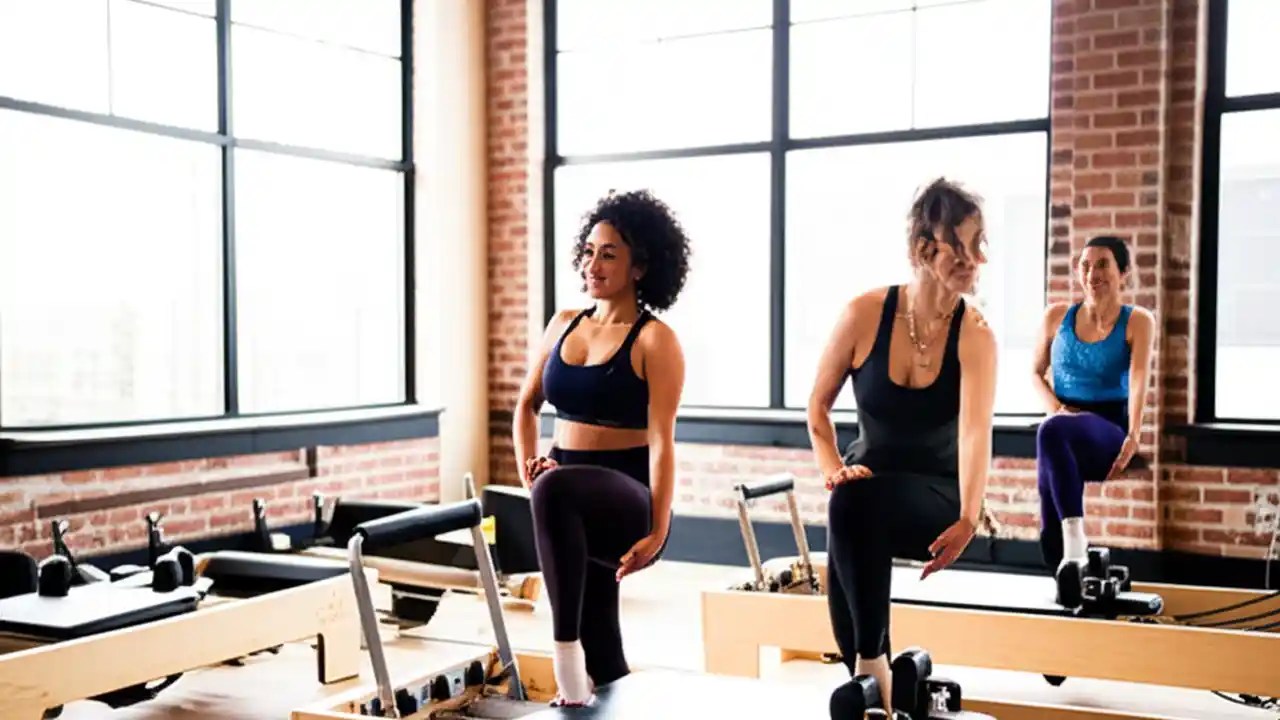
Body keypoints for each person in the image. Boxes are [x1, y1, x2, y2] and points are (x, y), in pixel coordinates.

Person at [806, 177, 998, 715]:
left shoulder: (975, 335)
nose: (975, 259)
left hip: (937, 498)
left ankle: (873, 686)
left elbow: (974, 432)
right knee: (850, 502)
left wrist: (968, 516)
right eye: (962, 245)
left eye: (980, 244)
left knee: (855, 506)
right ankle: (878, 680)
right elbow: (817, 408)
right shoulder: (865, 314)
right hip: (862, 496)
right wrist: (831, 469)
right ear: (923, 247)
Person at [511, 188, 689, 707]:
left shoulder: (656, 340)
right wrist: (530, 473)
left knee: (559, 486)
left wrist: (658, 528)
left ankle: (567, 672)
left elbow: (662, 441)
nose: (594, 263)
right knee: (604, 643)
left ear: (640, 267)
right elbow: (526, 407)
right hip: (563, 492)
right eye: (589, 251)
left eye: (609, 253)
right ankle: (603, 684)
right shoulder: (564, 323)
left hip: (627, 497)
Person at [1029, 235, 1154, 575]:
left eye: (1102, 264)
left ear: (1123, 272)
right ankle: (1063, 559)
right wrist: (1057, 409)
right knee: (1051, 433)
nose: (1092, 273)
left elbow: (1140, 377)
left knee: (1050, 432)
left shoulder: (1138, 321)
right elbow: (1035, 373)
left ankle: (1072, 543)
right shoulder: (1056, 316)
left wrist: (1134, 435)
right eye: (1085, 265)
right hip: (1061, 426)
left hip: (1108, 432)